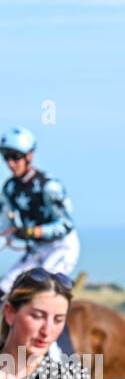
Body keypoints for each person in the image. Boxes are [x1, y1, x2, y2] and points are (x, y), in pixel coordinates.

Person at [1, 127, 79, 359]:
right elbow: (6, 224)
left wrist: (32, 231)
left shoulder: (49, 186)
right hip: (37, 250)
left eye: (15, 157)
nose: (10, 163)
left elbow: (64, 225)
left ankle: (63, 359)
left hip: (61, 247)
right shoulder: (10, 188)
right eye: (6, 158)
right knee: (4, 290)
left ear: (29, 156)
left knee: (47, 296)